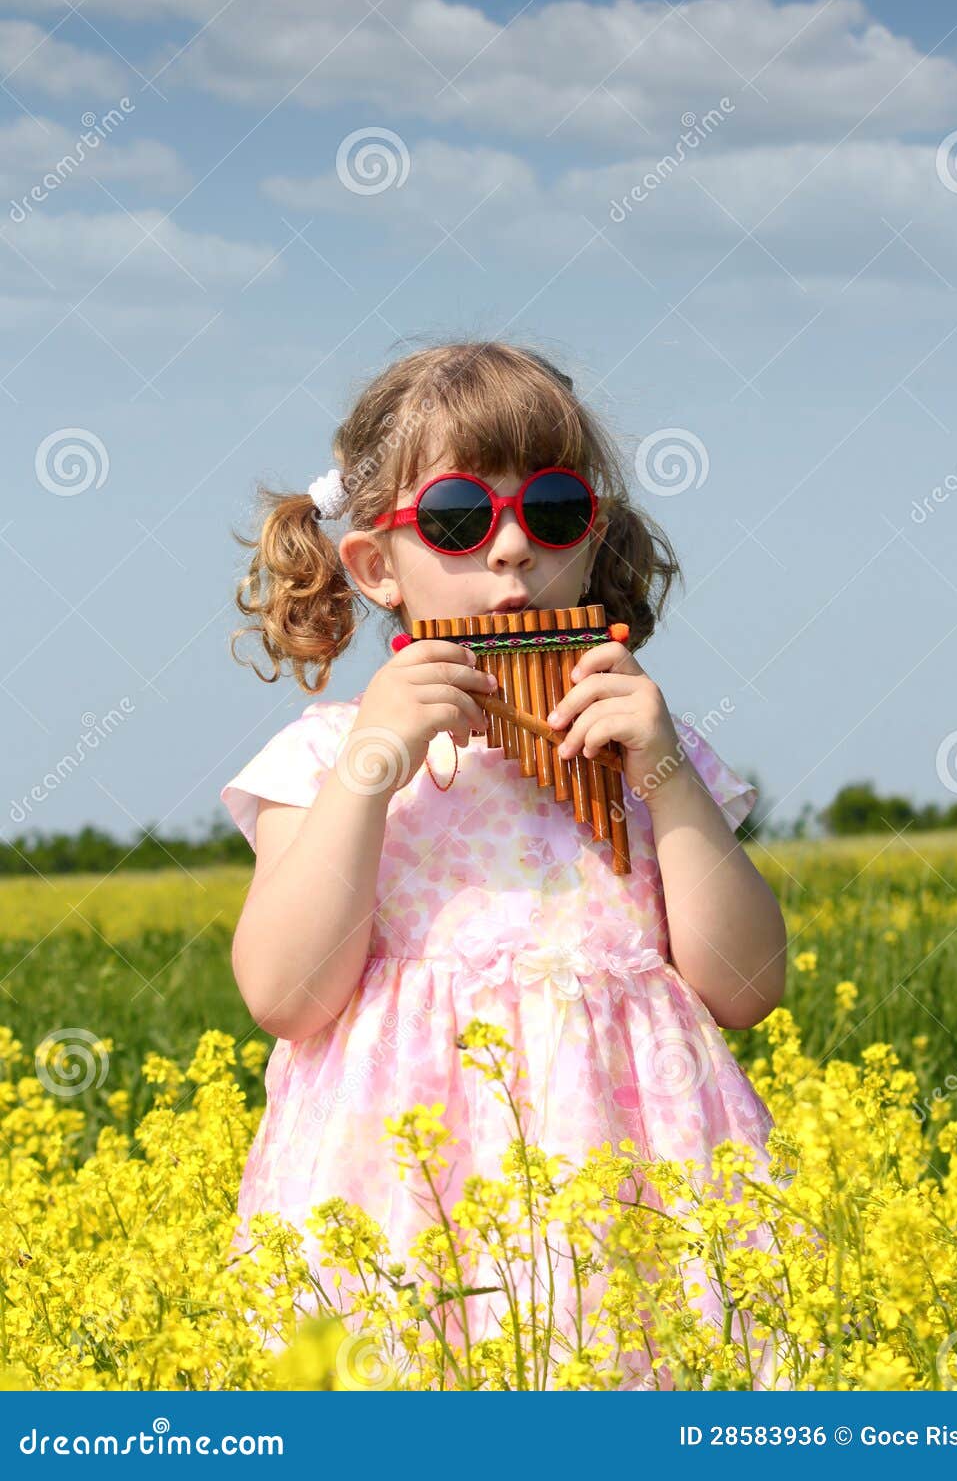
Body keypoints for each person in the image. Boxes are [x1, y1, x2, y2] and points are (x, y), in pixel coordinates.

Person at [220, 339, 790, 1389]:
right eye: (457, 519)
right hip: (399, 1211)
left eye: (554, 510)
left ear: (591, 537)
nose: (512, 553)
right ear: (377, 565)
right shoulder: (321, 760)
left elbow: (746, 986)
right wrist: (368, 771)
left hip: (630, 1211)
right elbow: (284, 994)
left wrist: (663, 774)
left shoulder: (641, 754)